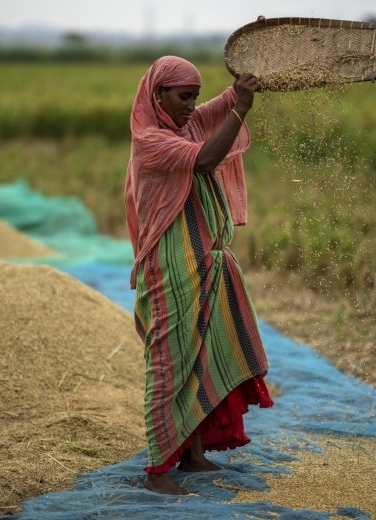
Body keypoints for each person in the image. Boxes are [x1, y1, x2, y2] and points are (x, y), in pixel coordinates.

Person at [125, 56, 272, 496]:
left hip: (202, 260)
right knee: (170, 363)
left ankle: (192, 454)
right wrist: (239, 111)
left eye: (194, 96)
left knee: (203, 352)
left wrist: (254, 68)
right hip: (170, 267)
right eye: (183, 97)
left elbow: (225, 103)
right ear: (158, 96)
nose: (193, 106)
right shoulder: (151, 140)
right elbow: (207, 159)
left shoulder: (185, 124)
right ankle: (157, 470)